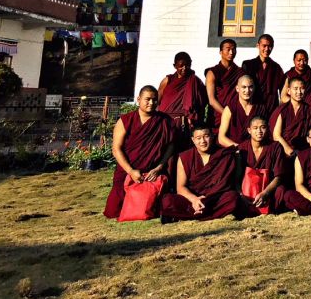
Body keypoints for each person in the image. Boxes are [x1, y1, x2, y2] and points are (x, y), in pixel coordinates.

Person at [103, 85, 174, 219]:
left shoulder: (165, 120)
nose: (151, 103)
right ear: (138, 99)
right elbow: (116, 148)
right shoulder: (126, 120)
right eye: (147, 99)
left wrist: (159, 167)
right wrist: (130, 171)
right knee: (113, 211)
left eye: (154, 100)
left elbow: (171, 146)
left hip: (153, 171)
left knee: (157, 208)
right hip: (127, 170)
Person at [161, 125, 241, 221]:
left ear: (212, 136)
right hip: (192, 200)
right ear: (193, 140)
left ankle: (184, 216)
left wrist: (206, 200)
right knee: (167, 200)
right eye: (198, 138)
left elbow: (227, 185)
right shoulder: (185, 157)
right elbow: (181, 187)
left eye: (206, 136)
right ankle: (211, 214)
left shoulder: (224, 155)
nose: (203, 141)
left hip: (215, 200)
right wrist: (195, 199)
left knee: (232, 198)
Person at [238, 115, 286, 215]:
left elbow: (279, 176)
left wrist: (265, 193)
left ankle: (272, 211)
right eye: (255, 128)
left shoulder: (275, 147)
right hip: (247, 190)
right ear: (249, 130)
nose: (259, 131)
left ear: (268, 128)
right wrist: (241, 194)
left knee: (281, 190)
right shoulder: (242, 148)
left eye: (263, 127)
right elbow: (236, 177)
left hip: (268, 188)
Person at [157, 52, 207, 138]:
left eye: (187, 65)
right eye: (181, 66)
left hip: (186, 124)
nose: (184, 68)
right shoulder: (167, 81)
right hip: (166, 122)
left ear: (191, 63)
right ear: (174, 66)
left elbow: (202, 104)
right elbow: (157, 101)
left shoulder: (195, 81)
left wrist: (195, 119)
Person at [271, 77, 311, 160]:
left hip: (304, 151)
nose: (299, 92)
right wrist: (289, 151)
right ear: (289, 91)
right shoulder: (282, 110)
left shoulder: (310, 111)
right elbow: (276, 135)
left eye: (302, 89)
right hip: (282, 150)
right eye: (295, 89)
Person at [241, 34, 285, 109]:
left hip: (271, 107)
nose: (267, 49)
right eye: (264, 46)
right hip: (253, 106)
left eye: (270, 46)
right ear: (258, 46)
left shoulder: (276, 68)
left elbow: (283, 92)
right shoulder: (248, 65)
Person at [218, 74, 262, 147]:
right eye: (244, 87)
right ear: (237, 89)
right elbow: (221, 138)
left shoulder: (260, 108)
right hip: (235, 150)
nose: (247, 91)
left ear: (254, 88)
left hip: (256, 149)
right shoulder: (230, 109)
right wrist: (239, 148)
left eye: (250, 87)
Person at [205, 39, 240, 128]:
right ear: (220, 52)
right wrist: (226, 114)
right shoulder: (212, 73)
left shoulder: (240, 72)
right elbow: (211, 100)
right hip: (218, 114)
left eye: (233, 49)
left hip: (237, 114)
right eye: (228, 49)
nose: (231, 52)